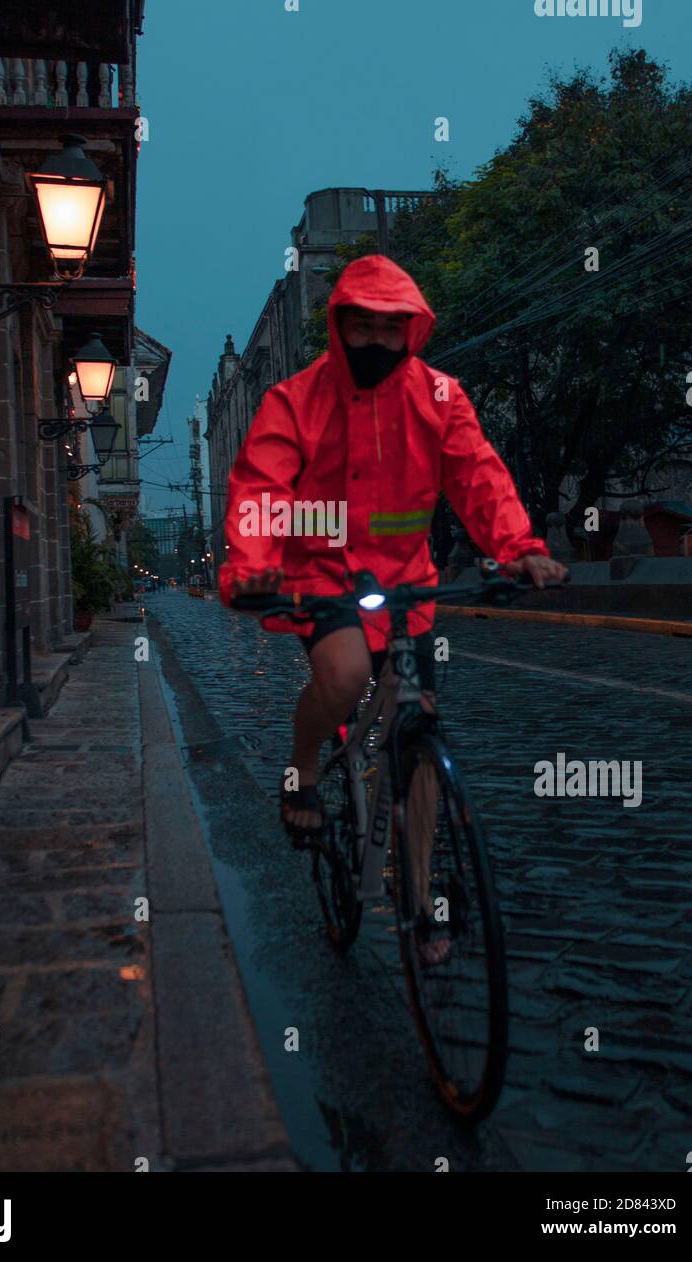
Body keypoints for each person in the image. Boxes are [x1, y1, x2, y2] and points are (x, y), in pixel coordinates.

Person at [217, 255, 567, 962]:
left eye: (390, 329)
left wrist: (518, 547)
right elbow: (261, 491)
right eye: (361, 327)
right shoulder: (294, 401)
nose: (375, 343)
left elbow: (478, 475)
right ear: (338, 324)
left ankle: (418, 887)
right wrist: (254, 565)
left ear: (412, 331)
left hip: (408, 587)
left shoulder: (440, 396)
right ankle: (304, 768)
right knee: (344, 678)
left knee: (420, 735)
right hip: (323, 578)